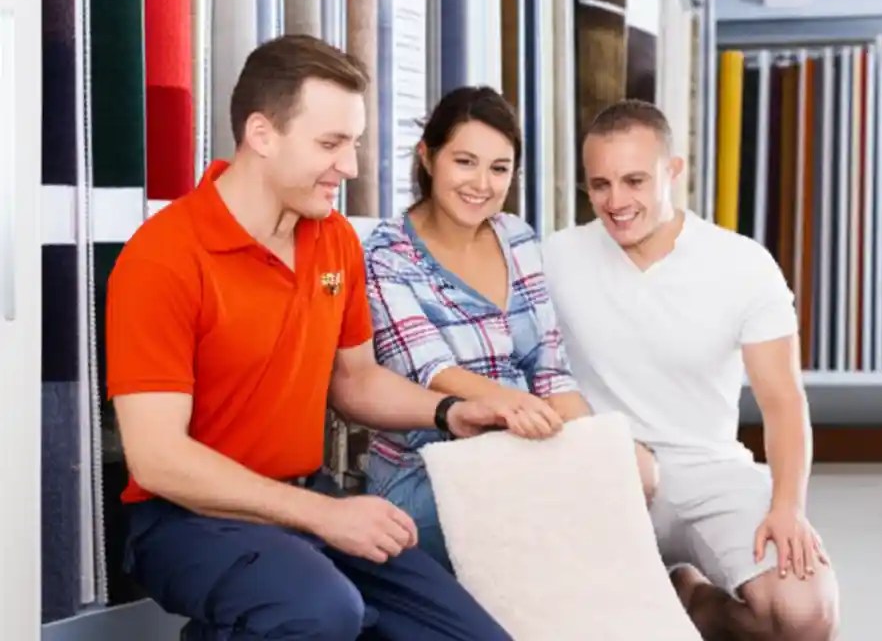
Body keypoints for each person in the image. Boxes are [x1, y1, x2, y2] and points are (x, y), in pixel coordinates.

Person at [105, 35, 537, 641]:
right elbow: (158, 460)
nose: (351, 167)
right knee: (322, 611)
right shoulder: (163, 258)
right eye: (330, 144)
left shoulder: (332, 239)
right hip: (186, 520)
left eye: (353, 143)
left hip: (306, 501)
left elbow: (354, 379)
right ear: (262, 134)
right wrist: (324, 516)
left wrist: (448, 410)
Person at [541, 100, 840, 640]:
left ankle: (691, 601)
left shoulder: (743, 264)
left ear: (673, 170)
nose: (616, 202)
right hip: (609, 474)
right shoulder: (554, 258)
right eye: (600, 185)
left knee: (804, 613)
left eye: (634, 181)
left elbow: (783, 401)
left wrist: (787, 507)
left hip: (713, 472)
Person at [361, 85, 657, 571]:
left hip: (525, 447)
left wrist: (594, 445)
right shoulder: (386, 255)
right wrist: (520, 411)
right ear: (428, 157)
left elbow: (550, 371)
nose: (482, 183)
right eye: (465, 162)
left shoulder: (516, 238)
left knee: (634, 469)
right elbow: (434, 373)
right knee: (577, 504)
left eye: (499, 169)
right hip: (427, 469)